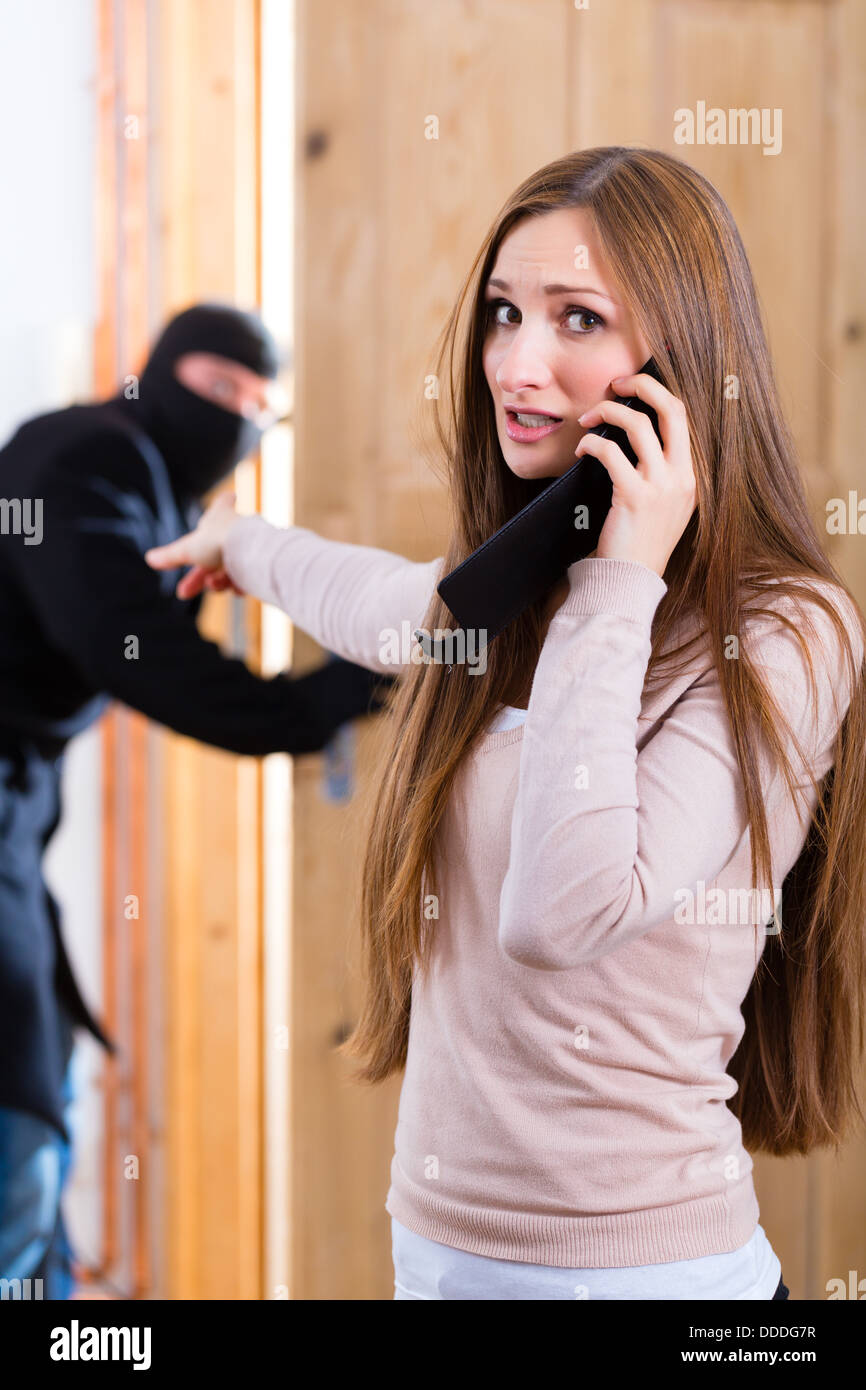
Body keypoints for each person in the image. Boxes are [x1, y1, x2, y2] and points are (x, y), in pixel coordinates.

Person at [146, 151, 866, 1301]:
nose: (515, 367)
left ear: (680, 367)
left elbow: (561, 910)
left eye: (577, 319)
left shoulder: (784, 634)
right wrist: (241, 546)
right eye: (502, 314)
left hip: (654, 1276)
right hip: (436, 1252)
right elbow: (377, 598)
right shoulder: (506, 597)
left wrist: (620, 580)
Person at [0, 303, 392, 1299]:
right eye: (221, 390)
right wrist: (301, 707)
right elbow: (134, 645)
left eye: (263, 409)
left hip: (17, 829)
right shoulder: (87, 457)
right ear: (160, 372)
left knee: (34, 1116)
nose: (238, 420)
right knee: (22, 1135)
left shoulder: (129, 479)